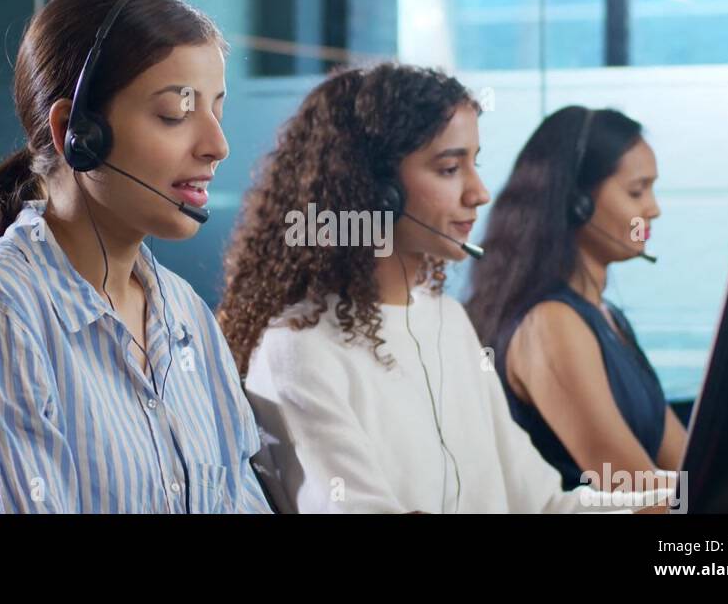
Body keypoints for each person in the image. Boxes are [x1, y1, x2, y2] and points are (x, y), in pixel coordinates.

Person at [0, 0, 270, 514]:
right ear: (77, 132)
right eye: (175, 114)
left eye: (217, 111)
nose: (217, 145)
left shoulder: (185, 317)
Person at [218, 67, 667, 513]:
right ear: (378, 192)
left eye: (476, 163)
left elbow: (543, 502)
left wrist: (684, 499)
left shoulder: (448, 320)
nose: (480, 192)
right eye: (450, 168)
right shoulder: (299, 348)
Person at [466, 106, 686, 493]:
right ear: (577, 202)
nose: (654, 209)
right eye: (637, 191)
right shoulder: (552, 324)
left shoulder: (609, 319)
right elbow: (634, 492)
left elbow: (687, 465)